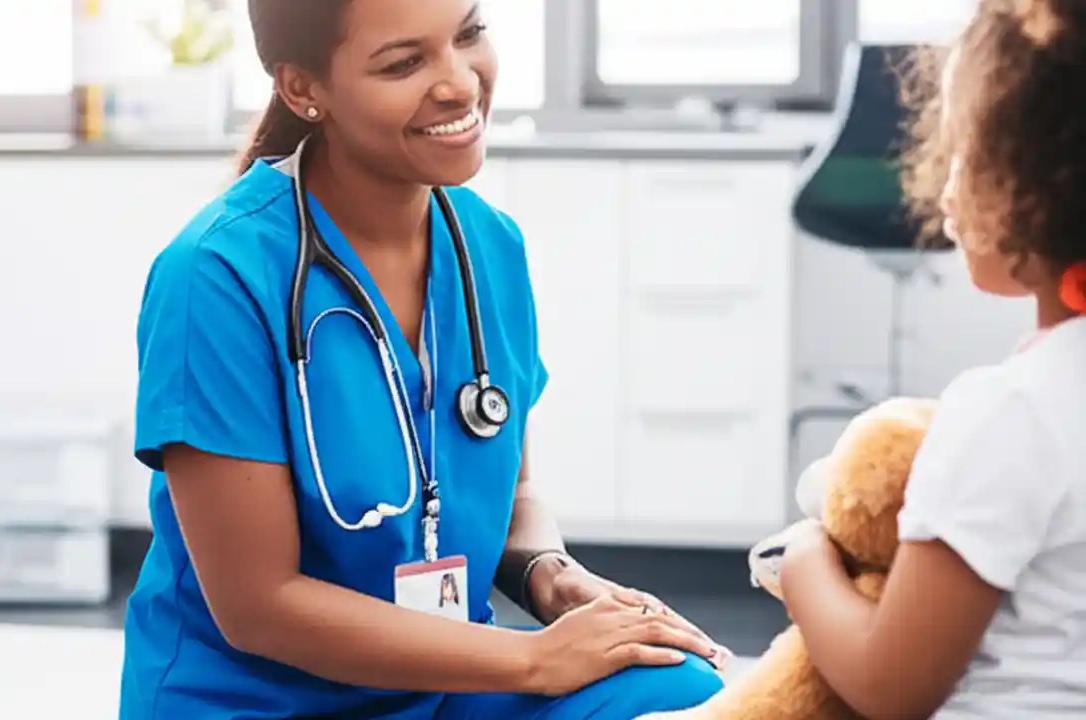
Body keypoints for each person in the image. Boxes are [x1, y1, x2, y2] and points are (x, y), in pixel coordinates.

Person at [118, 1, 728, 717]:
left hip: (445, 683)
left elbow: (510, 495)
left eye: (468, 34)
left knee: (682, 683)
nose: (460, 84)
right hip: (256, 702)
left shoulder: (489, 246)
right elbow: (258, 607)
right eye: (404, 63)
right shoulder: (217, 277)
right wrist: (535, 658)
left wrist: (552, 579)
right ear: (303, 88)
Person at [780, 1, 1086, 717]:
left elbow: (890, 687)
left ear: (1026, 191)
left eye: (962, 149)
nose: (944, 178)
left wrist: (800, 562)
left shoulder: (1013, 411)